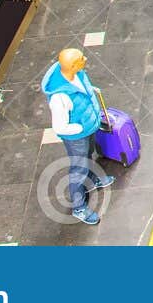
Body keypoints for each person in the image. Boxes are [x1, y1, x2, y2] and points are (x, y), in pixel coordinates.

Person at [42, 48, 115, 226]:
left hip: (88, 128)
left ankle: (92, 179)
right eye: (81, 58)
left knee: (88, 155)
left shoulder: (78, 73)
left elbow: (83, 91)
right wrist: (81, 127)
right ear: (73, 65)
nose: (85, 59)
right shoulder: (59, 97)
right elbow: (60, 126)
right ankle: (78, 207)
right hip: (76, 136)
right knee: (78, 168)